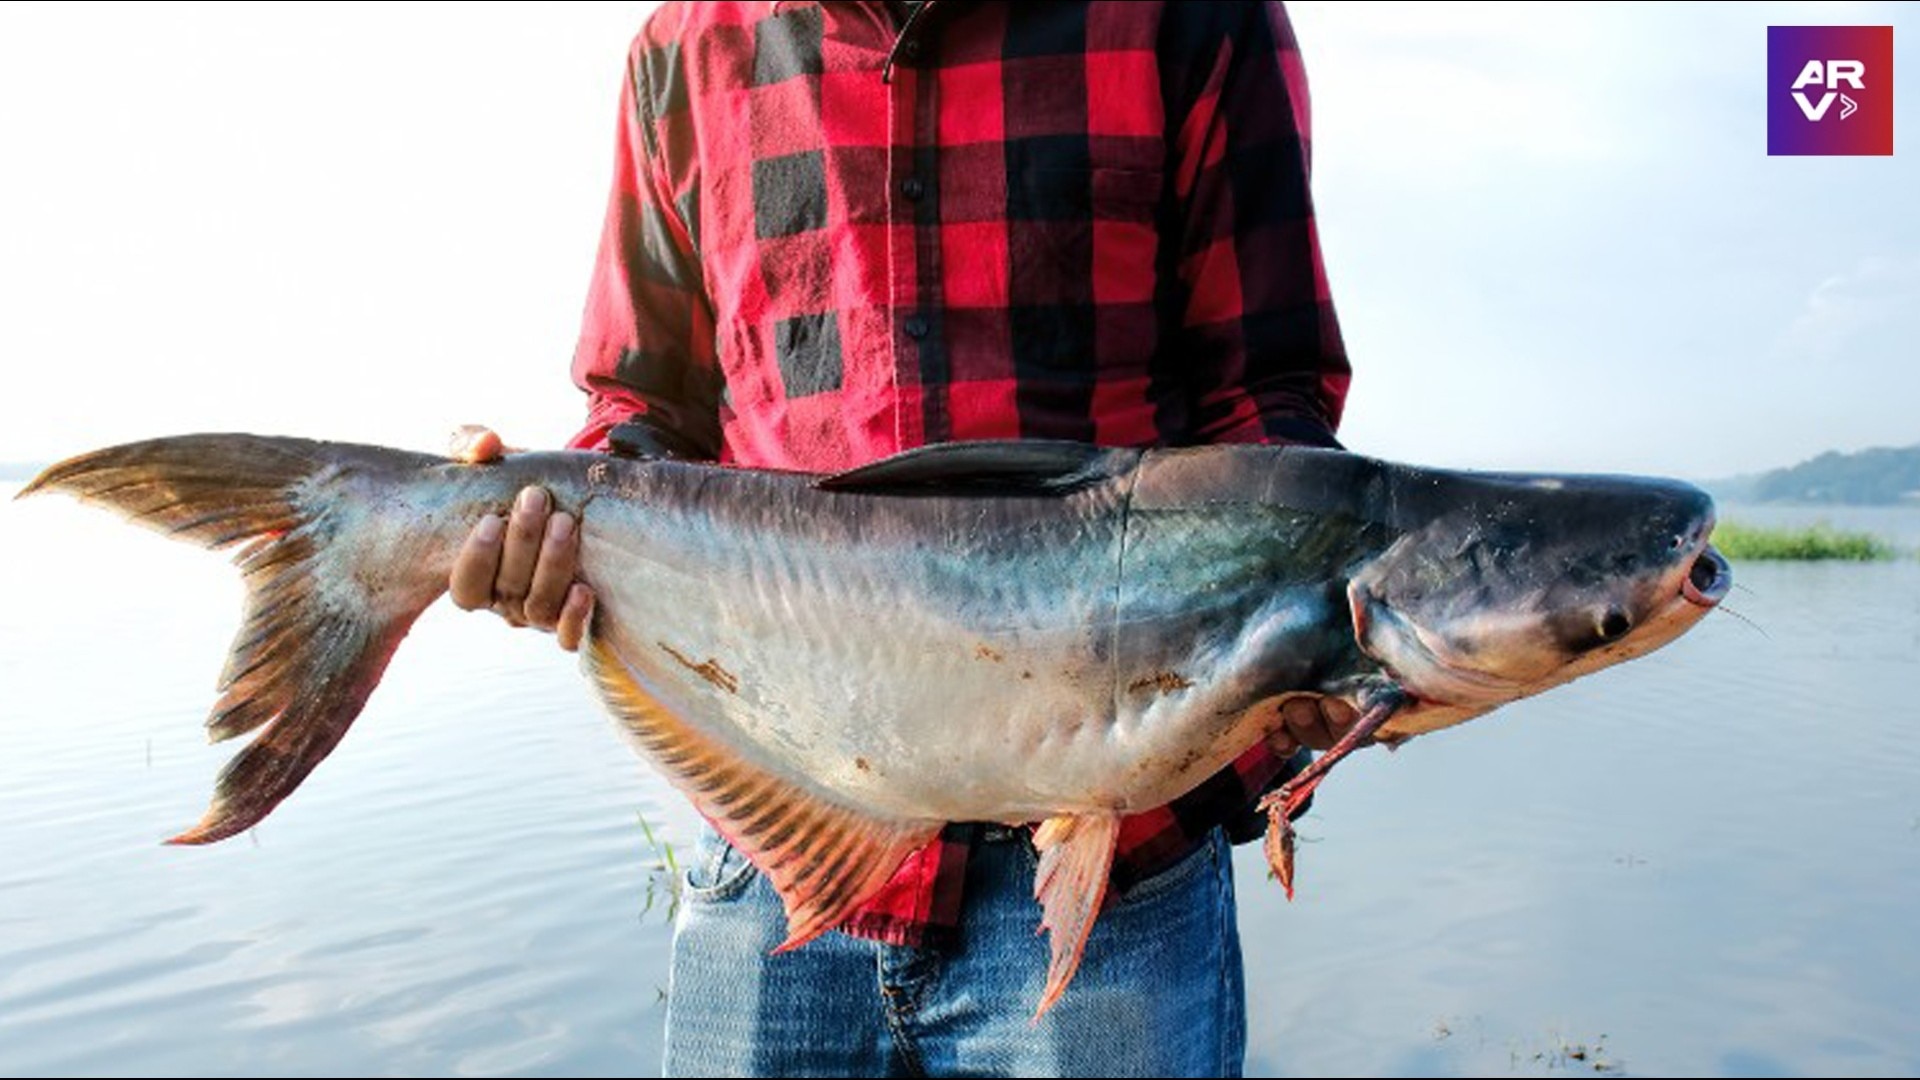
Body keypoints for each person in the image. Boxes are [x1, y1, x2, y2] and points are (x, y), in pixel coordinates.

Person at [449, 2, 1358, 1075]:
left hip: (1115, 865)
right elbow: (644, 408)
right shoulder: (687, 46)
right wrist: (545, 527)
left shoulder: (1193, 18)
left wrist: (1309, 618)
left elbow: (1265, 398)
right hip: (773, 845)